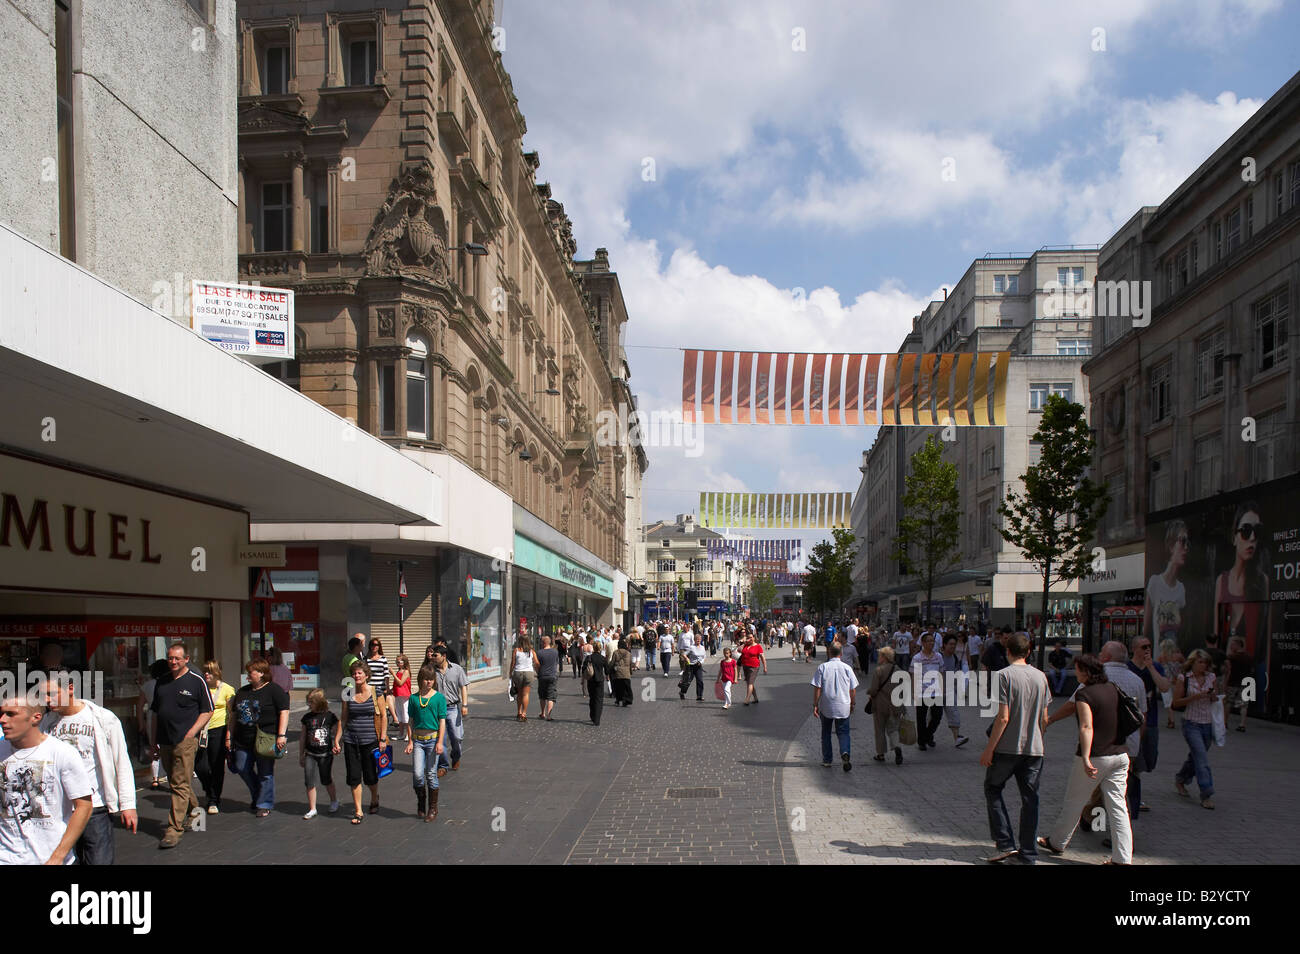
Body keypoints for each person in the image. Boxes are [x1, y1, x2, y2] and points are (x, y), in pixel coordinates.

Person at [1038, 654, 1133, 864]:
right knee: (1118, 808)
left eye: (1078, 669)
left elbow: (1086, 727)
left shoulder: (1084, 694)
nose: (1076, 673)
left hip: (1098, 755)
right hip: (1120, 754)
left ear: (1087, 672)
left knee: (1074, 800)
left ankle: (1057, 841)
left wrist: (1087, 757)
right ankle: (1123, 858)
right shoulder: (1112, 688)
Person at [40, 673, 138, 865]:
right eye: (43, 695)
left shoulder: (102, 718)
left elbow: (122, 762)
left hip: (95, 807)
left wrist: (128, 805)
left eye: (52, 693)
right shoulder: (46, 723)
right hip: (60, 809)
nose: (47, 700)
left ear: (70, 688)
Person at [978, 633, 1051, 864]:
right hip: (1034, 749)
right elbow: (1045, 718)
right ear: (1028, 652)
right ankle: (1028, 852)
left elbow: (1003, 718)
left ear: (1007, 651)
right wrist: (1038, 738)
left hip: (1007, 748)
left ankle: (1005, 843)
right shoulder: (1041, 677)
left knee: (993, 788)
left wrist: (989, 749)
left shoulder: (1003, 676)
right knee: (1030, 799)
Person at [0, 696, 93, 865]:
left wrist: (58, 857)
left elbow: (84, 806)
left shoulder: (61, 752)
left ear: (35, 717)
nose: (2, 720)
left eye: (11, 714)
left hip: (50, 859)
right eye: (1, 714)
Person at [149, 642, 213, 849]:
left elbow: (208, 710)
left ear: (186, 659)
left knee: (179, 784)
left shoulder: (196, 681)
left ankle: (173, 830)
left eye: (177, 658)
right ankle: (197, 814)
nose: (173, 662)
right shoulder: (162, 682)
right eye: (170, 658)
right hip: (165, 740)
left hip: (185, 740)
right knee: (178, 782)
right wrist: (153, 740)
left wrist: (191, 733)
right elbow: (156, 713)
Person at [228, 659, 291, 818]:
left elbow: (284, 711)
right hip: (243, 738)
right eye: (247, 672)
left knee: (265, 772)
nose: (248, 675)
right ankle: (258, 794)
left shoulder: (274, 690)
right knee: (241, 767)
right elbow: (233, 716)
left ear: (262, 673)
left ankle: (264, 804)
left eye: (251, 672)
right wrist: (229, 736)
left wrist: (282, 735)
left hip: (266, 737)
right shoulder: (242, 691)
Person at [1213, 501, 1270, 659]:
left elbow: (1266, 643)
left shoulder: (1262, 582)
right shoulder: (1221, 581)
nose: (1252, 538)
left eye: (1257, 531)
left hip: (1251, 674)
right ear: (1234, 537)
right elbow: (1216, 637)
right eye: (1246, 531)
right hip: (1225, 671)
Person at [340, 660, 388, 823]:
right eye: (354, 673)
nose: (356, 676)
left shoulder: (376, 692)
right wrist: (338, 739)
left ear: (367, 675)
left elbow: (383, 715)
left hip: (370, 740)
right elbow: (344, 717)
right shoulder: (347, 691)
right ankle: (358, 810)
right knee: (354, 776)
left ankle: (374, 797)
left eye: (359, 673)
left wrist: (382, 738)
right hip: (351, 740)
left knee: (370, 776)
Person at [1128, 635, 1169, 815]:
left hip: (1150, 721)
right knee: (1135, 763)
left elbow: (1165, 687)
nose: (1147, 650)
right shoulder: (1128, 668)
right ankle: (1133, 799)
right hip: (1132, 723)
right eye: (1143, 646)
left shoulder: (1156, 667)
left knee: (1150, 760)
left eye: (1149, 646)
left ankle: (1133, 797)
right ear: (1134, 649)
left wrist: (1151, 666)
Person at [1172, 649, 1218, 810]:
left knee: (1197, 757)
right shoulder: (1184, 678)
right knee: (1202, 758)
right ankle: (1206, 793)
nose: (1203, 665)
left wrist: (1212, 695)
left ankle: (1181, 779)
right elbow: (1176, 702)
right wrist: (1196, 697)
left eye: (1206, 662)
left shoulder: (1211, 678)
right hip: (1191, 723)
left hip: (1207, 723)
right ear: (1192, 663)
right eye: (1200, 662)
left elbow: (1215, 698)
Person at [405, 665, 447, 823]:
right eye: (426, 679)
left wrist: (440, 742)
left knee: (431, 774)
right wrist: (410, 741)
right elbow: (410, 721)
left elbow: (442, 721)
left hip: (432, 740)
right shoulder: (414, 698)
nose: (428, 682)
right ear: (420, 680)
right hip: (418, 741)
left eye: (431, 679)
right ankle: (421, 802)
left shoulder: (439, 698)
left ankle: (433, 808)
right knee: (417, 774)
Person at [195, 660, 235, 815]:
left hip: (219, 729)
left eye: (210, 671)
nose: (206, 674)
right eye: (205, 671)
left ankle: (214, 799)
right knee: (199, 764)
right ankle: (208, 787)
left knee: (216, 765)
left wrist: (229, 734)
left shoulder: (227, 689)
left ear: (217, 672)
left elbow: (232, 713)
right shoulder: (201, 688)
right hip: (202, 729)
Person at [813, 642, 859, 772]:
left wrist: (815, 704)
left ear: (829, 652)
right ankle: (845, 752)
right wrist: (852, 703)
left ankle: (827, 760)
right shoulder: (847, 668)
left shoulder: (822, 667)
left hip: (827, 705)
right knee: (843, 732)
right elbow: (853, 689)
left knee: (826, 732)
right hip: (843, 705)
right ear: (841, 653)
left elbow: (817, 688)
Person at [1144, 519, 1188, 647]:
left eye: (1187, 542)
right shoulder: (1155, 582)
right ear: (1170, 546)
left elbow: (1182, 632)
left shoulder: (1181, 589)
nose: (1186, 548)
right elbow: (1145, 630)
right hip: (1158, 659)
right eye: (1182, 541)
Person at [299, 688, 340, 820]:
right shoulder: (307, 718)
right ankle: (312, 808)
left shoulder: (329, 716)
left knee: (326, 779)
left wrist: (337, 743)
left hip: (325, 754)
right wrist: (301, 754)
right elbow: (303, 737)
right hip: (310, 753)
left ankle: (334, 800)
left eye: (311, 702)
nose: (309, 705)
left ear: (319, 702)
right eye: (308, 702)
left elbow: (337, 729)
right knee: (309, 781)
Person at [431, 646, 469, 774]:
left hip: (453, 708)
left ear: (444, 656)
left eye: (435, 655)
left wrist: (464, 705)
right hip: (437, 710)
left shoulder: (457, 669)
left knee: (457, 738)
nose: (433, 658)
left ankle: (456, 756)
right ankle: (443, 766)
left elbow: (463, 687)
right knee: (439, 739)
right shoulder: (431, 671)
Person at [867, 646, 904, 764]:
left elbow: (874, 689)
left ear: (884, 657)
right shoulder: (898, 670)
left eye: (880, 656)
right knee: (893, 729)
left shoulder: (879, 670)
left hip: (880, 704)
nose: (879, 658)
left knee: (880, 730)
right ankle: (897, 746)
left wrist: (870, 693)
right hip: (895, 704)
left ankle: (880, 754)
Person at [137, 659, 169, 790]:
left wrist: (141, 723)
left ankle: (155, 778)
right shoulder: (169, 683)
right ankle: (169, 774)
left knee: (153, 746)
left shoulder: (148, 685)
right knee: (167, 747)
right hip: (167, 717)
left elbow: (139, 706)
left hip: (151, 717)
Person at [911, 632, 945, 751]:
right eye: (929, 641)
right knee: (921, 718)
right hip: (922, 691)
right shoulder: (917, 658)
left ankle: (928, 735)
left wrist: (942, 688)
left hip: (936, 692)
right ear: (923, 643)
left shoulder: (938, 657)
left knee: (937, 717)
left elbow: (941, 673)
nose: (931, 643)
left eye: (932, 641)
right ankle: (922, 742)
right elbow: (914, 675)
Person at [939, 635, 971, 748]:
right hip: (936, 691)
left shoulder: (955, 658)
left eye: (954, 644)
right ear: (944, 645)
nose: (953, 646)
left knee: (954, 713)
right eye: (950, 644)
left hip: (950, 690)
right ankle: (927, 736)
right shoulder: (938, 657)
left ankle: (957, 738)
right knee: (933, 717)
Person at [508, 635, 539, 722]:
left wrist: (510, 673)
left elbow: (513, 663)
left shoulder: (516, 650)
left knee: (519, 694)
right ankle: (524, 713)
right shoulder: (531, 651)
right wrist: (538, 671)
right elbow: (537, 663)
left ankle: (519, 712)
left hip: (518, 673)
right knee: (526, 694)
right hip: (529, 673)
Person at [1225, 636, 1253, 731]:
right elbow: (1252, 670)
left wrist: (1225, 682)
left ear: (1237, 645)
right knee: (1243, 704)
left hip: (1233, 682)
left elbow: (1227, 670)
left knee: (1229, 702)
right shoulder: (1249, 657)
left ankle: (1225, 722)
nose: (1231, 647)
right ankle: (1242, 724)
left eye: (1232, 645)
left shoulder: (1231, 657)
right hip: (1245, 683)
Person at [366, 638, 395, 725]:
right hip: (370, 687)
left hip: (381, 688)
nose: (374, 647)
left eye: (376, 645)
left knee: (381, 709)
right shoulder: (366, 659)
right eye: (372, 645)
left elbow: (386, 674)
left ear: (379, 647)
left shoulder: (383, 659)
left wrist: (387, 687)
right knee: (371, 709)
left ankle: (382, 727)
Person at [584, 641, 609, 726]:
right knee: (599, 700)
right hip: (599, 680)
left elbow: (583, 668)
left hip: (590, 680)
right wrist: (607, 675)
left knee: (592, 698)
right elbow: (607, 670)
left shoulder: (588, 657)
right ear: (600, 648)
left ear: (593, 648)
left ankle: (592, 715)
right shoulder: (603, 658)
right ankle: (597, 719)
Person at [536, 635, 560, 720]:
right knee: (551, 696)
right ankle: (549, 715)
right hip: (552, 676)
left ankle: (542, 713)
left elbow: (537, 665)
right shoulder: (555, 652)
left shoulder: (539, 652)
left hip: (542, 675)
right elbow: (556, 663)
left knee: (542, 696)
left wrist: (538, 673)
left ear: (543, 643)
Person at [739, 632, 767, 705]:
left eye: (751, 637)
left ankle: (747, 699)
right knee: (749, 683)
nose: (749, 639)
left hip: (754, 667)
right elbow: (739, 650)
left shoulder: (758, 646)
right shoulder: (746, 645)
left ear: (754, 638)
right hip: (745, 666)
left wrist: (765, 667)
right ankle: (755, 698)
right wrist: (744, 643)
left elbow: (763, 658)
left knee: (750, 683)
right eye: (748, 637)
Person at [679, 633, 707, 702]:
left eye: (699, 639)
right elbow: (684, 654)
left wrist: (701, 662)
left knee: (700, 681)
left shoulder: (702, 647)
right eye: (697, 639)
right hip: (691, 666)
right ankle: (682, 692)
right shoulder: (691, 647)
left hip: (698, 666)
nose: (698, 640)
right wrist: (686, 658)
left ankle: (699, 696)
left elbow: (704, 656)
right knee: (688, 682)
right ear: (694, 640)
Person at [391, 654, 412, 742]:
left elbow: (400, 683)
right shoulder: (398, 671)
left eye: (400, 661)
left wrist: (392, 674)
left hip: (404, 695)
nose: (398, 663)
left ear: (404, 662)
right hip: (398, 694)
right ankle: (401, 733)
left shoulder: (406, 672)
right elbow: (396, 684)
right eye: (397, 661)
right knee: (399, 714)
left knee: (405, 715)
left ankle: (408, 734)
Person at [610, 639, 634, 707]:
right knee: (627, 687)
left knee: (618, 687)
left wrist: (609, 669)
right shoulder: (628, 653)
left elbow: (612, 662)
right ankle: (627, 700)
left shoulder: (616, 652)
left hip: (617, 673)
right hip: (626, 673)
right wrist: (630, 672)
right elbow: (630, 664)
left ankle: (618, 700)